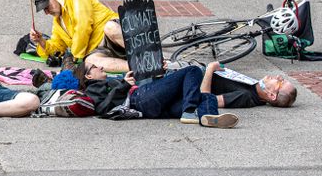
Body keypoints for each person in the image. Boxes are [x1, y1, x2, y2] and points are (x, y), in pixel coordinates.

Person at [80, 62, 239, 128]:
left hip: (151, 107)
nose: (100, 67)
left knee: (206, 97)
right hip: (139, 99)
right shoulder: (92, 89)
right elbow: (102, 108)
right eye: (94, 67)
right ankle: (190, 112)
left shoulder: (110, 80)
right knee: (193, 70)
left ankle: (208, 118)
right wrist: (123, 85)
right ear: (88, 76)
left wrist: (158, 74)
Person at [29, 0, 129, 73]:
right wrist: (41, 41)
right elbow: (57, 49)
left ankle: (142, 51)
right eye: (43, 10)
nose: (46, 12)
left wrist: (74, 56)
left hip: (111, 32)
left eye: (47, 6)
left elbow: (83, 27)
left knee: (110, 28)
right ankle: (137, 67)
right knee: (90, 61)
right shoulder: (57, 21)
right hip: (100, 49)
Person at [204, 61, 298, 108]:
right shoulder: (255, 86)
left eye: (280, 82)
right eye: (282, 79)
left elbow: (205, 101)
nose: (278, 76)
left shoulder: (245, 96)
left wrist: (210, 69)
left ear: (272, 95)